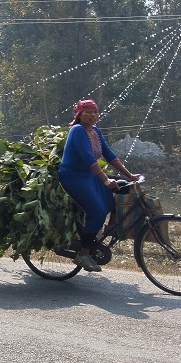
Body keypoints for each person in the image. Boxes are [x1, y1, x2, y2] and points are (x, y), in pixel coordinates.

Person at [58, 99, 138, 272]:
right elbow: (89, 159)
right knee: (97, 212)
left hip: (88, 175)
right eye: (88, 111)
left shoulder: (95, 131)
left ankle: (111, 227)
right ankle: (83, 254)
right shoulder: (77, 131)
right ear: (79, 114)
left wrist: (129, 175)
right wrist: (105, 180)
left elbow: (110, 156)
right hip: (73, 176)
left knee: (124, 186)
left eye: (96, 111)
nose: (93, 115)